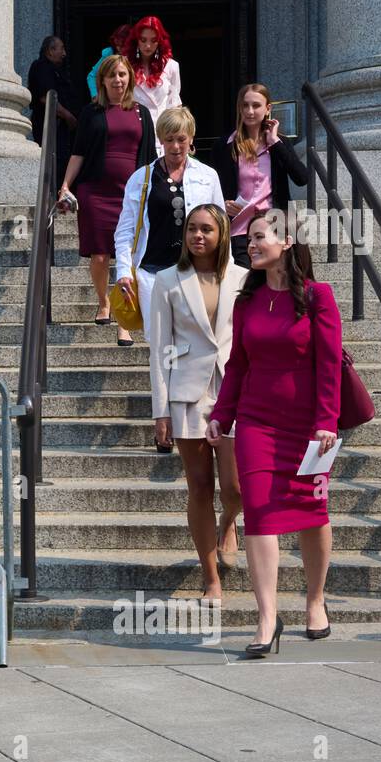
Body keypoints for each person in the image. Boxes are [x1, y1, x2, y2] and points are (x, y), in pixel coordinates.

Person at [206, 211, 342, 657]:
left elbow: (328, 366)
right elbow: (238, 365)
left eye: (259, 237)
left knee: (312, 512)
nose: (251, 244)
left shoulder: (318, 296)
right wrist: (221, 415)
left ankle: (315, 600)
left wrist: (326, 421)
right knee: (259, 513)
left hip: (308, 427)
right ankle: (267, 617)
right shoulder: (247, 301)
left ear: (286, 242)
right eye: (248, 239)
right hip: (256, 422)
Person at [149, 205, 248, 599]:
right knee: (199, 486)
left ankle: (229, 522)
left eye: (207, 229)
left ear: (222, 234)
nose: (198, 236)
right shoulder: (167, 280)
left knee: (237, 489)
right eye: (192, 228)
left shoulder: (244, 278)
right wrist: (161, 410)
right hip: (187, 396)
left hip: (233, 392)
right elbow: (159, 349)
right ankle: (211, 579)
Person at [114, 104, 223, 387]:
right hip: (154, 273)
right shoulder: (142, 178)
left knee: (197, 339)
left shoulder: (208, 175)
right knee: (161, 347)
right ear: (160, 140)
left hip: (196, 272)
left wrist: (224, 270)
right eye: (170, 139)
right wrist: (124, 271)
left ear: (191, 138)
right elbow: (125, 229)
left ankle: (193, 405)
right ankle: (164, 413)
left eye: (182, 139)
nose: (176, 146)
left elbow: (221, 226)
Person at [59, 54, 156, 347]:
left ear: (130, 79)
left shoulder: (142, 113)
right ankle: (104, 303)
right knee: (100, 256)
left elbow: (149, 157)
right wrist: (65, 185)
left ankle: (125, 324)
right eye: (112, 75)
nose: (118, 80)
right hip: (95, 191)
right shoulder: (92, 112)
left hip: (130, 194)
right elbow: (79, 153)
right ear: (102, 80)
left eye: (123, 75)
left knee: (126, 259)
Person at [213, 83, 310, 268]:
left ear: (268, 109)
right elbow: (214, 186)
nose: (250, 111)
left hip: (275, 227)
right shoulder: (224, 147)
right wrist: (222, 203)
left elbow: (302, 178)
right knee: (245, 285)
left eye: (256, 105)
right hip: (240, 231)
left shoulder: (278, 144)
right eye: (245, 105)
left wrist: (275, 142)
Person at [125, 16, 182, 157]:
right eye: (143, 40)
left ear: (160, 42)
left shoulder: (172, 66)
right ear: (136, 40)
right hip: (133, 133)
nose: (148, 46)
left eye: (153, 40)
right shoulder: (125, 64)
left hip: (162, 135)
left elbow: (175, 105)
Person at [28, 35, 79, 190]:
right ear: (50, 51)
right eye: (61, 49)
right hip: (49, 125)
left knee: (63, 161)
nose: (64, 54)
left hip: (62, 129)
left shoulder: (58, 70)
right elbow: (46, 97)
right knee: (53, 162)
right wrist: (68, 116)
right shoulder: (41, 67)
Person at [85, 24, 133, 100]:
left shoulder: (138, 54)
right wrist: (95, 95)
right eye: (117, 45)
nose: (119, 49)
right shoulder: (109, 52)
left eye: (123, 46)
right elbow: (92, 76)